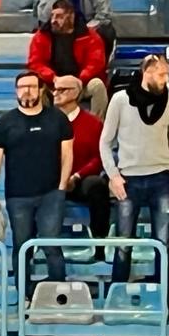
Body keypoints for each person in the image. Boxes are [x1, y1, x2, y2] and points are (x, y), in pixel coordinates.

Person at [0, 70, 74, 291]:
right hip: (18, 196)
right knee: (22, 247)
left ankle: (58, 295)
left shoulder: (57, 119)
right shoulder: (4, 123)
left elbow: (67, 153)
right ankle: (25, 296)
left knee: (51, 246)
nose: (27, 91)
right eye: (22, 87)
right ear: (16, 91)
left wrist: (61, 187)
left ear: (41, 89)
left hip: (51, 194)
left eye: (31, 86)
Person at [101, 54, 169, 287]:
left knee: (163, 243)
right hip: (129, 178)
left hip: (162, 177)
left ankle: (163, 300)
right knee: (123, 243)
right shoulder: (119, 100)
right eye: (161, 74)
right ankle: (117, 298)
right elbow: (105, 142)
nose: (165, 79)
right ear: (146, 72)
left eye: (166, 74)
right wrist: (113, 176)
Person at [53, 75, 110, 247]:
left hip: (79, 180)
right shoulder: (46, 122)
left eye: (61, 90)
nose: (55, 93)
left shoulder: (93, 124)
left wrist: (76, 176)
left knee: (97, 185)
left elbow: (98, 157)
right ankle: (35, 249)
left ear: (75, 93)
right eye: (55, 89)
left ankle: (100, 244)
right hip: (53, 180)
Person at [27, 3, 108, 121]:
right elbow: (35, 63)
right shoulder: (41, 36)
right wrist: (53, 78)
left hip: (80, 83)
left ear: (71, 16)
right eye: (52, 16)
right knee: (36, 88)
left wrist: (79, 80)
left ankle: (96, 125)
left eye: (59, 16)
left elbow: (96, 62)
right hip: (53, 85)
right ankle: (40, 127)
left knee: (98, 86)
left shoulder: (89, 36)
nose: (54, 20)